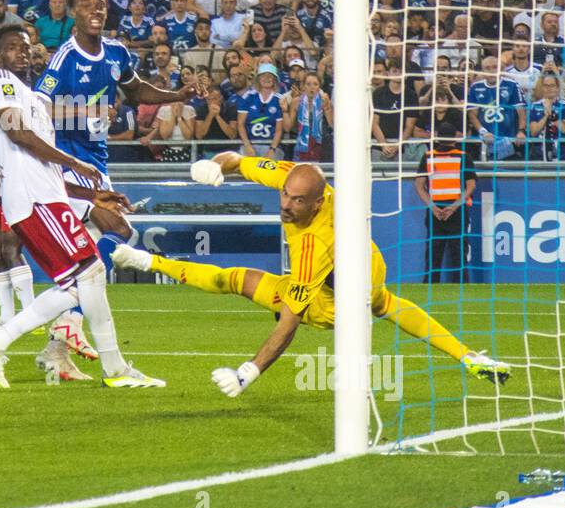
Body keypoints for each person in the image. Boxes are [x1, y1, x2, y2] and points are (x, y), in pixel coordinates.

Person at [111, 155, 510, 398]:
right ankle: (469, 356)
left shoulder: (310, 248)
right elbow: (238, 159)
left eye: (297, 201)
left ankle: (148, 263)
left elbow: (289, 326)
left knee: (236, 280)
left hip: (332, 305)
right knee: (386, 302)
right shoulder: (295, 177)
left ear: (318, 202)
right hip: (366, 262)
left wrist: (248, 372)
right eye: (285, 194)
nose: (285, 204)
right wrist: (215, 165)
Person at [0, 24, 164, 389]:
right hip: (34, 201)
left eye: (27, 47)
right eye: (13, 47)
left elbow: (44, 164)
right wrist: (76, 163)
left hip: (49, 197)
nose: (22, 52)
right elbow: (17, 134)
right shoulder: (0, 80)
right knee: (90, 272)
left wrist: (91, 196)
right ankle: (115, 370)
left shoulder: (32, 98)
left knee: (79, 285)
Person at [413, 138, 478, 284]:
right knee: (459, 253)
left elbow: (419, 185)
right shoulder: (463, 156)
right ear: (454, 139)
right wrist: (454, 206)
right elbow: (471, 185)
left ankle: (430, 287)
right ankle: (461, 288)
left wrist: (433, 207)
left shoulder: (428, 156)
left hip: (435, 209)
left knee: (433, 254)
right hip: (457, 210)